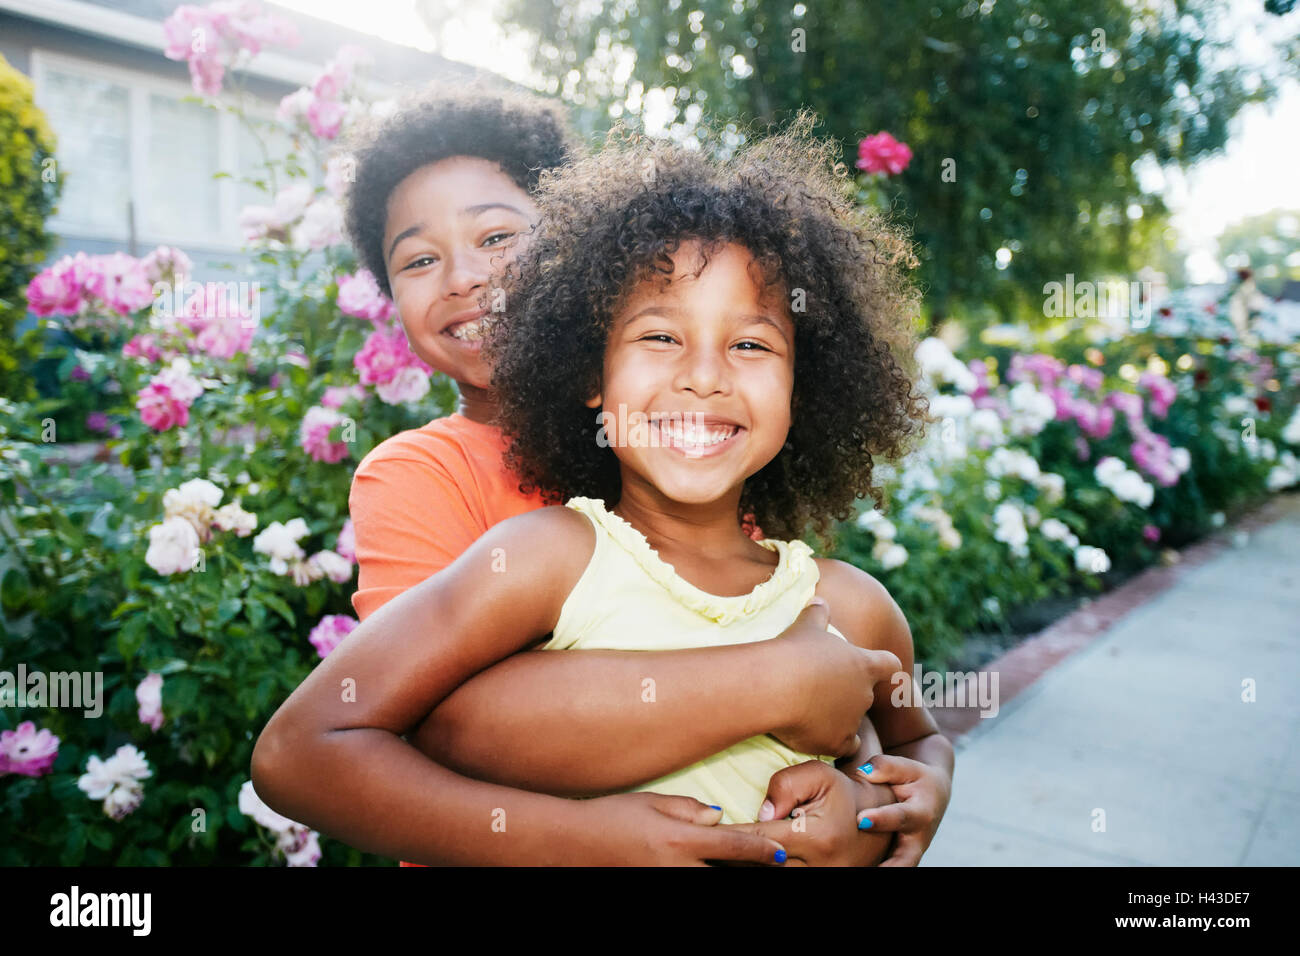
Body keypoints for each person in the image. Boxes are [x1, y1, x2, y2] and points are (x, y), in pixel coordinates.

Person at [252, 113, 954, 865]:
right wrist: (772, 688)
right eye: (659, 337)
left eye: (750, 345)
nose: (705, 376)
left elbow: (903, 737)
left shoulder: (833, 591)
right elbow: (423, 727)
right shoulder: (537, 544)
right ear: (590, 363)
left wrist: (890, 799)